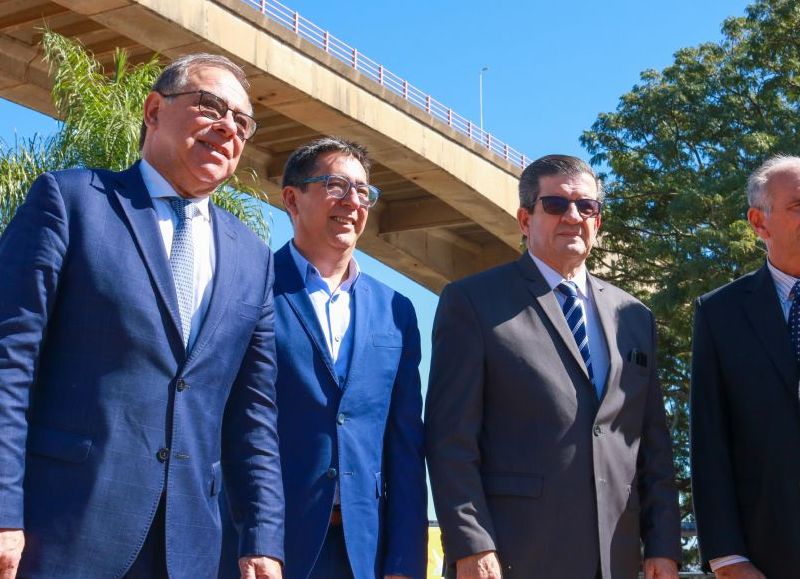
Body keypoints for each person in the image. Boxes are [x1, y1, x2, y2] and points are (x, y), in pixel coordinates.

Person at [0, 54, 283, 578]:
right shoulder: (70, 201)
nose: (228, 128)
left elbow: (254, 413)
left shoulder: (254, 256)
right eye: (210, 106)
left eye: (242, 123)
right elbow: (8, 365)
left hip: (191, 546)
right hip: (61, 533)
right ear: (154, 110)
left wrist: (263, 538)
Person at [425, 154, 681, 579]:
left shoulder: (635, 316)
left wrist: (663, 546)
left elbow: (652, 444)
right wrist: (470, 542)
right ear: (525, 219)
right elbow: (450, 438)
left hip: (616, 559)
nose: (573, 216)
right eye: (556, 205)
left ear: (597, 222)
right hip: (512, 555)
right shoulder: (472, 302)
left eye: (587, 206)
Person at [222, 137, 427, 579]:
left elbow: (405, 446)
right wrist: (254, 536)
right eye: (336, 185)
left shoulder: (397, 310)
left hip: (365, 553)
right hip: (263, 548)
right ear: (292, 199)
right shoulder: (248, 286)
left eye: (363, 191)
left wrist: (405, 559)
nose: (353, 201)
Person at [691, 155, 800, 579]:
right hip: (766, 561)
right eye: (797, 205)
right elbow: (709, 440)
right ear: (759, 222)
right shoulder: (720, 313)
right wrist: (727, 558)